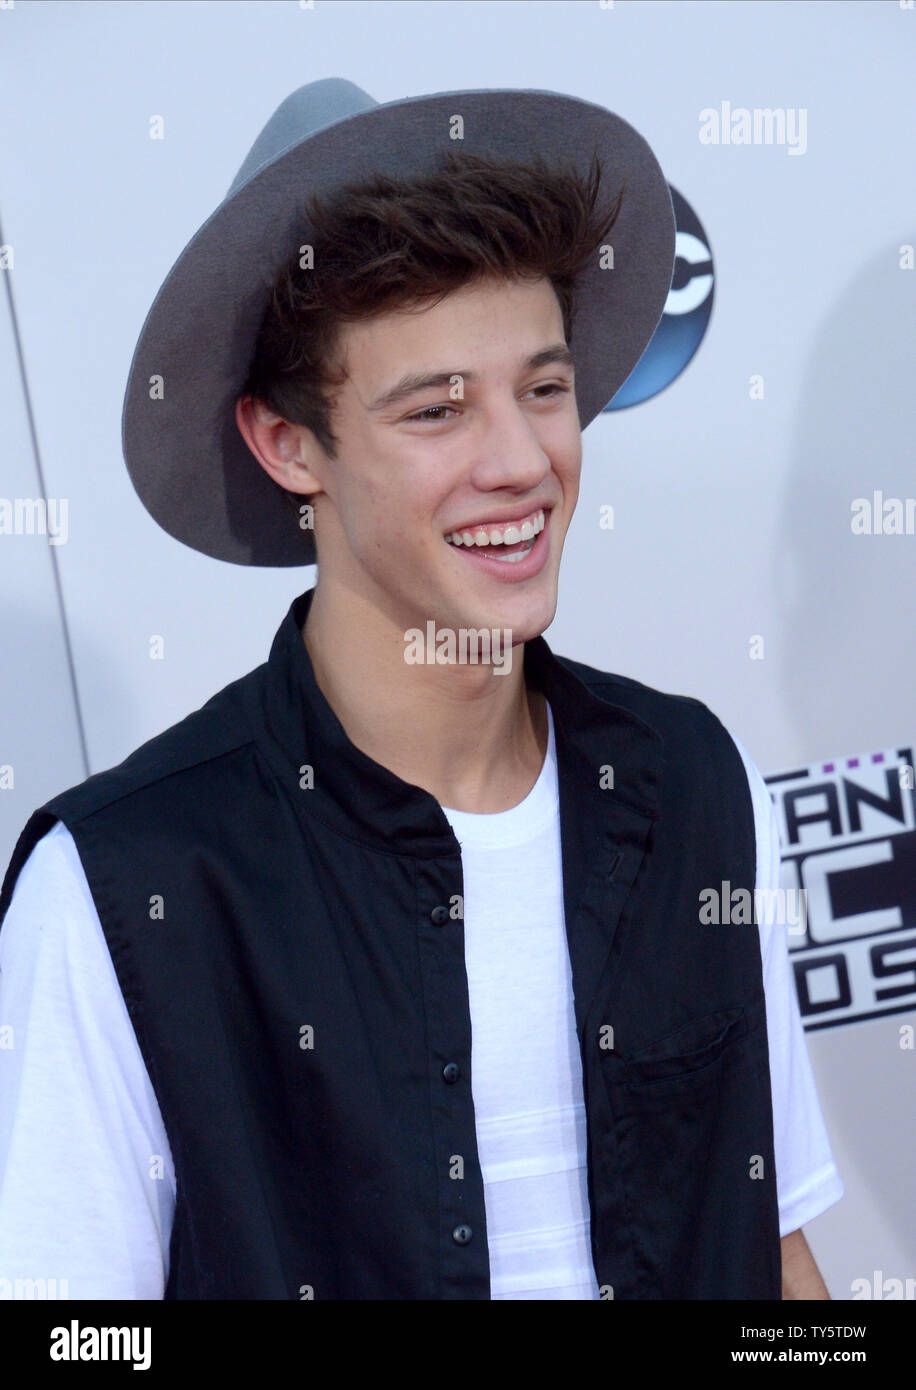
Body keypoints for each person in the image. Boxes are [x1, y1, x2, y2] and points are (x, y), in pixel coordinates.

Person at [0, 79, 843, 1300]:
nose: (519, 461)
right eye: (436, 409)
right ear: (289, 445)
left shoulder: (693, 785)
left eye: (542, 389)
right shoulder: (121, 890)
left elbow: (771, 1258)